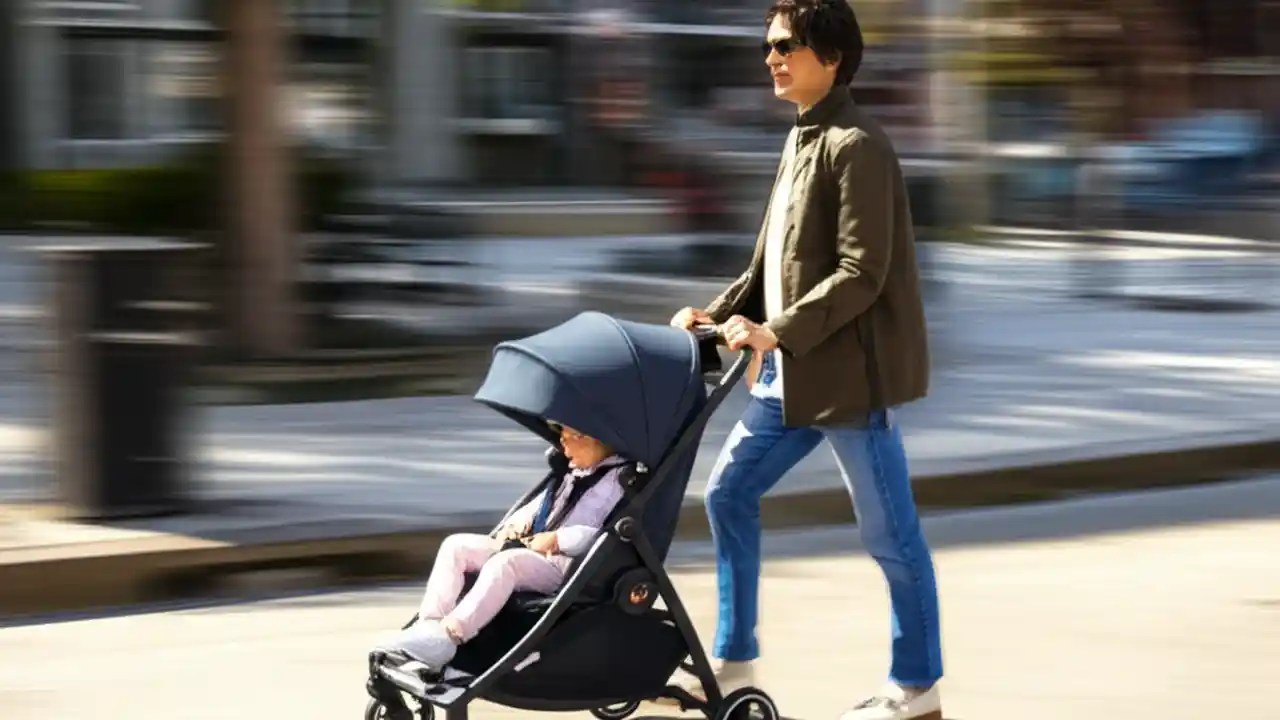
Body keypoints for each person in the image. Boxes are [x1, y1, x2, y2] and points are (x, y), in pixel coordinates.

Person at [668, 1, 942, 718]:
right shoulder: (801, 140)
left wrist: (775, 329)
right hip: (787, 375)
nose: (771, 56)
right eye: (769, 45)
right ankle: (733, 661)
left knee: (890, 535)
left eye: (786, 44)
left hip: (848, 377)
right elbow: (770, 264)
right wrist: (718, 315)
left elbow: (862, 271)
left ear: (832, 55)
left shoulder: (860, 144)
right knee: (728, 494)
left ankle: (917, 689)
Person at [377, 423, 631, 670]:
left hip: (565, 564)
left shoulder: (618, 481)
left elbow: (606, 535)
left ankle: (451, 635)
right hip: (529, 548)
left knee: (506, 563)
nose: (564, 450)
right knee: (456, 546)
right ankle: (429, 627)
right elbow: (544, 503)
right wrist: (515, 524)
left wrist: (559, 539)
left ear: (590, 437)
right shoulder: (574, 472)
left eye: (566, 440)